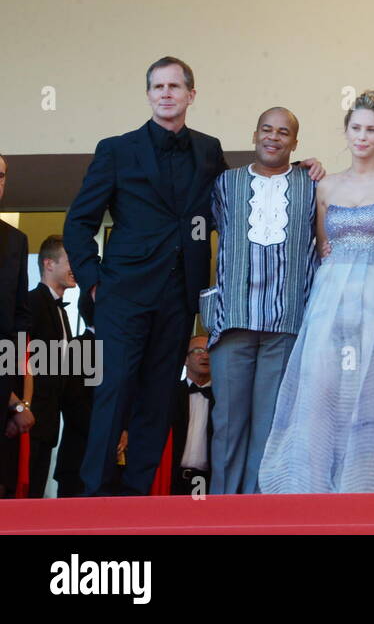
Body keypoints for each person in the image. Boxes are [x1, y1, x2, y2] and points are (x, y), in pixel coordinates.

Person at [63, 57, 231, 496]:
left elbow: (234, 203)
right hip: (122, 294)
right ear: (149, 94)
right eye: (158, 86)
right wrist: (94, 280)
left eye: (175, 86)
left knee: (158, 399)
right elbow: (79, 221)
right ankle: (95, 497)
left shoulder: (209, 150)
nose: (166, 93)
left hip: (179, 295)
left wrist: (299, 172)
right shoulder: (116, 149)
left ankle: (137, 499)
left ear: (191, 95)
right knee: (114, 393)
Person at [259, 91, 374, 493]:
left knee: (373, 395)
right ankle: (314, 488)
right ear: (346, 131)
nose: (362, 136)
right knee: (320, 392)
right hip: (329, 303)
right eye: (356, 128)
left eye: (371, 130)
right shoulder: (325, 186)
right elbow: (324, 251)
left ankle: (367, 490)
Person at [205, 107, 319, 494]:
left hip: (287, 324)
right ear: (254, 135)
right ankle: (222, 513)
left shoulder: (314, 185)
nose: (274, 137)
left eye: (283, 132)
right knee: (228, 424)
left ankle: (258, 512)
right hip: (233, 319)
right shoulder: (225, 183)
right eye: (267, 130)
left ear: (295, 143)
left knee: (272, 427)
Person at [25, 235, 79, 497]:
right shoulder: (31, 303)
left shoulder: (63, 313)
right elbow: (18, 361)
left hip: (48, 421)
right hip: (28, 420)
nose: (76, 267)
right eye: (70, 261)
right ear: (49, 264)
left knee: (35, 494)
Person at [0, 155, 34, 496]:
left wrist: (12, 398)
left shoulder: (15, 241)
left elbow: (20, 320)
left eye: (1, 176)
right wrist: (14, 402)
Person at [170, 335, 214, 495]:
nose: (205, 355)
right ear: (185, 360)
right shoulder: (170, 396)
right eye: (198, 351)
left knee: (199, 518)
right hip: (172, 476)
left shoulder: (223, 400)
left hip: (204, 480)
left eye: (210, 351)